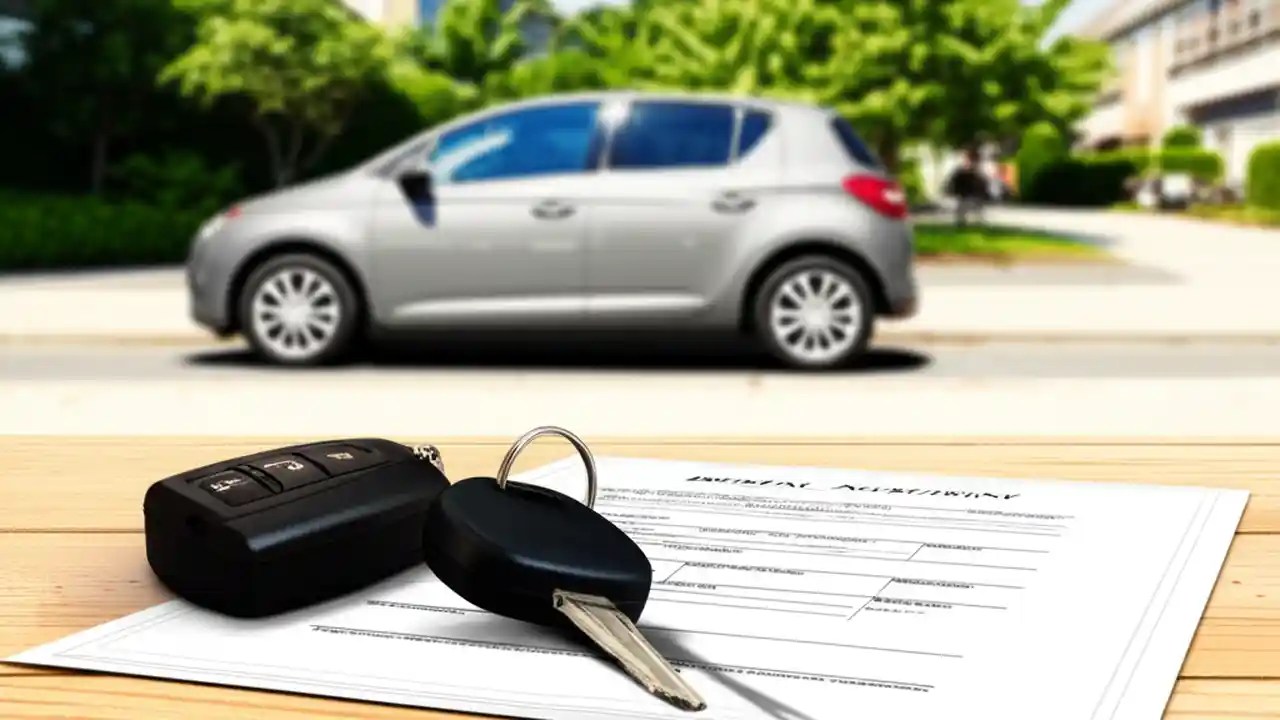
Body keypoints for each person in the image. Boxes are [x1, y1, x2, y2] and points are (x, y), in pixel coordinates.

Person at [944, 147, 991, 227]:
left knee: (974, 211)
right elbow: (954, 182)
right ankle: (964, 223)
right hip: (966, 196)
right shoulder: (963, 171)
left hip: (973, 196)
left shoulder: (978, 173)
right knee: (963, 211)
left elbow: (983, 186)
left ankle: (974, 223)